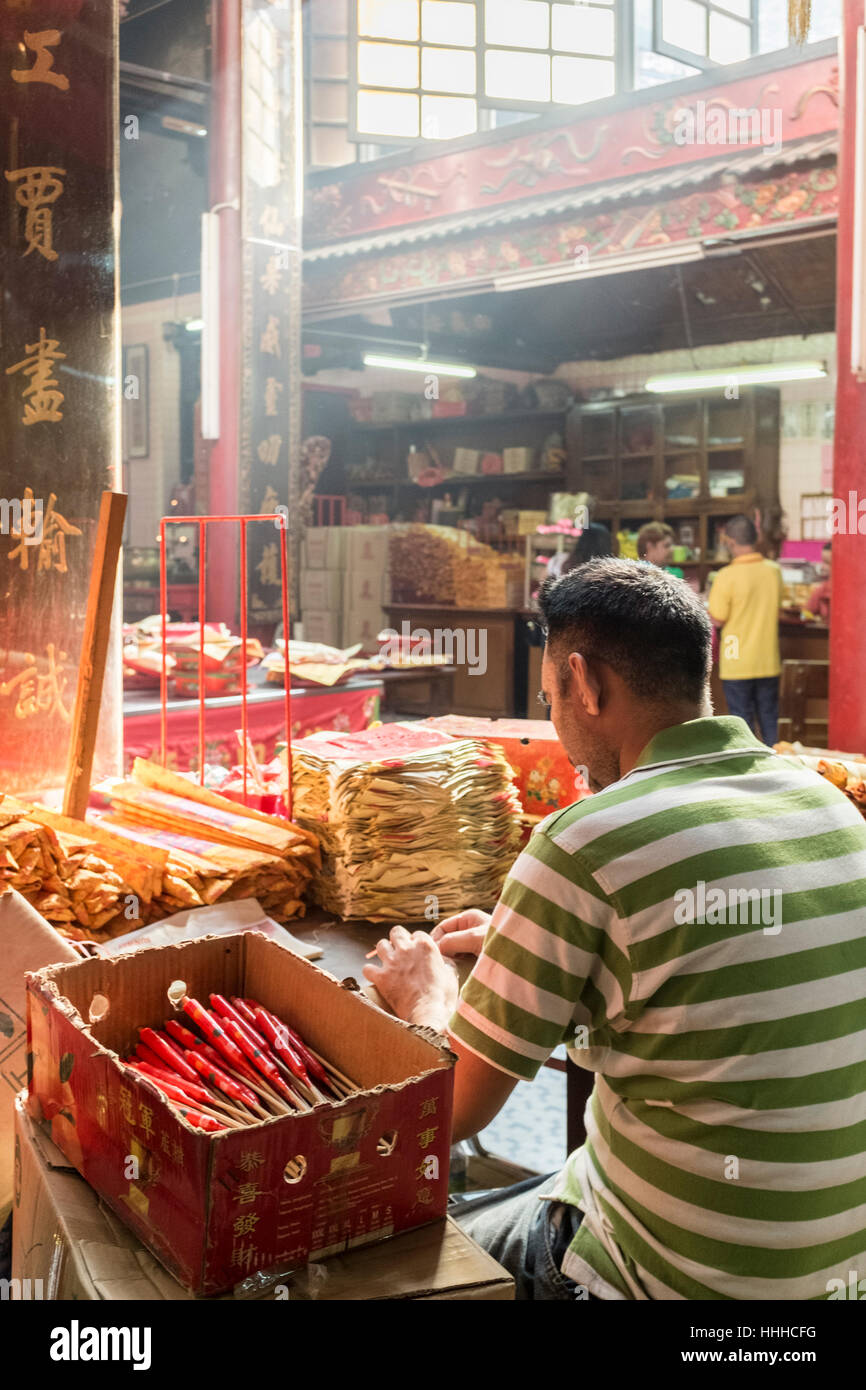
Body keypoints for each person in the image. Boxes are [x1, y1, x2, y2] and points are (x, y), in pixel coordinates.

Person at [364, 558, 866, 1300]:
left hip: (672, 1283)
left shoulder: (582, 842)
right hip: (834, 1274)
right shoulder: (827, 806)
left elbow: (448, 1114)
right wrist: (532, 935)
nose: (559, 728)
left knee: (402, 1262)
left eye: (549, 699)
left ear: (584, 682)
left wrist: (427, 997)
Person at [707, 514, 783, 745]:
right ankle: (777, 762)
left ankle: (750, 771)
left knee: (742, 722)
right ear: (756, 537)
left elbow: (718, 619)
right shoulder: (773, 570)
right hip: (768, 659)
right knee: (769, 718)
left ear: (729, 542)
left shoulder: (725, 576)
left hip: (736, 658)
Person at [806, 541, 832, 623]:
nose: (823, 567)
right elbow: (805, 615)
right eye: (823, 562)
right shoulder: (822, 590)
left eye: (828, 563)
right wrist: (816, 619)